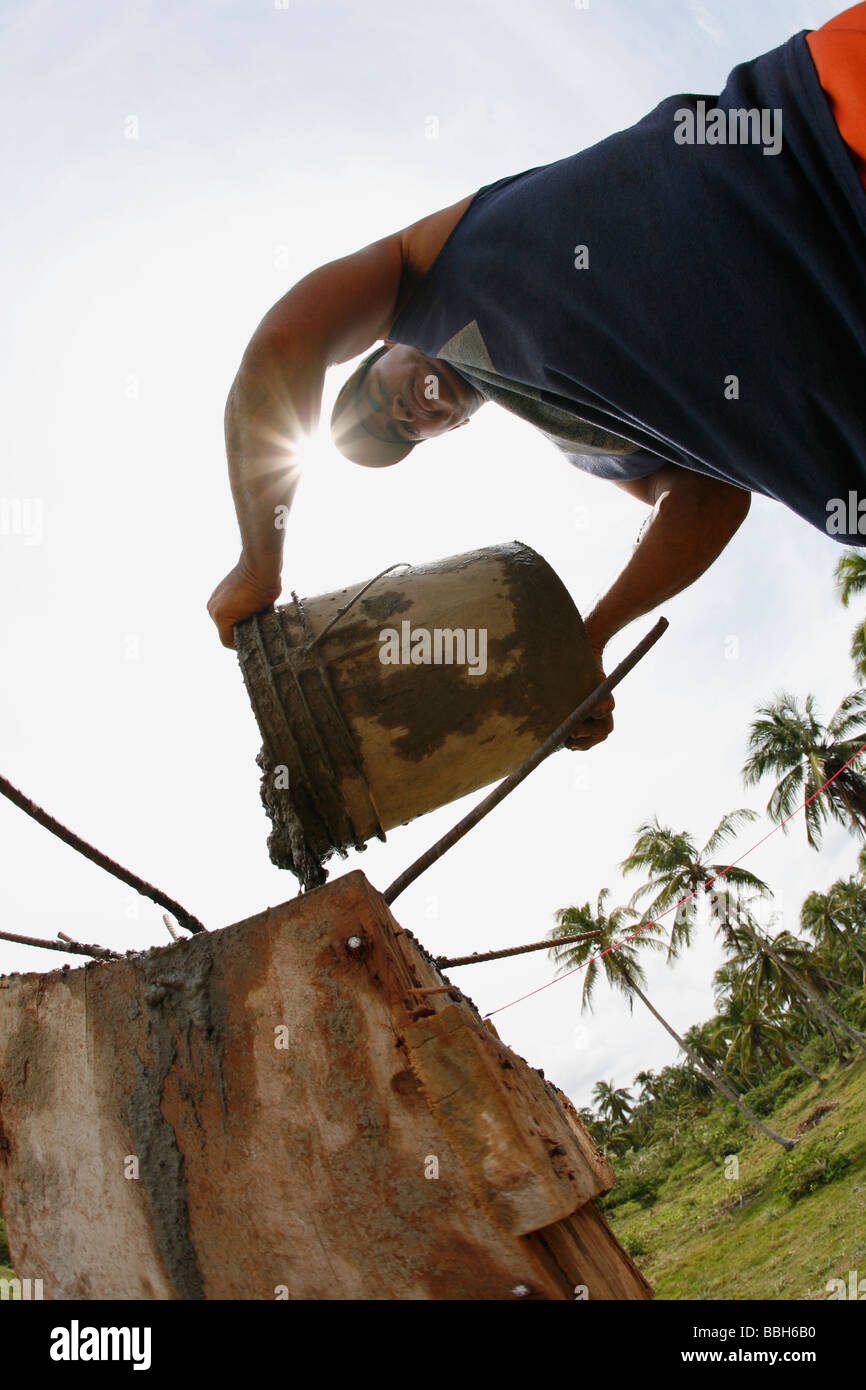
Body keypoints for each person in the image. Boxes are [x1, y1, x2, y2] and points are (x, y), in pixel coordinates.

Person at [208, 4, 866, 750]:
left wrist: (258, 565)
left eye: (370, 393)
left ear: (383, 342)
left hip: (833, 145)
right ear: (451, 428)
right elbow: (709, 499)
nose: (397, 410)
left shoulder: (427, 268)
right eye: (401, 432)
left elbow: (287, 339)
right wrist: (587, 639)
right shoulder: (590, 442)